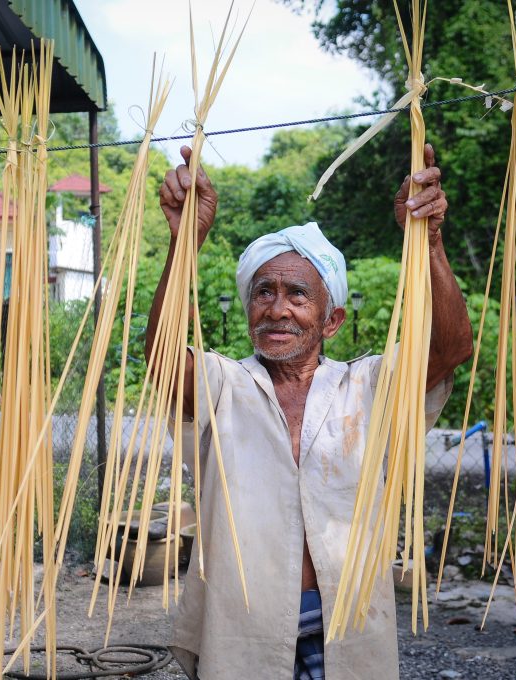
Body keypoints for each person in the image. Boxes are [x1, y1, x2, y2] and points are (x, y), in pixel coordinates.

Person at [147, 144, 474, 680]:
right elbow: (163, 358)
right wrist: (185, 243)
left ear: (331, 321)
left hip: (345, 626)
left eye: (298, 294)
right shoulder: (225, 384)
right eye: (263, 293)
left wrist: (429, 240)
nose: (277, 309)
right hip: (241, 629)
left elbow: (449, 348)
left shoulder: (365, 386)